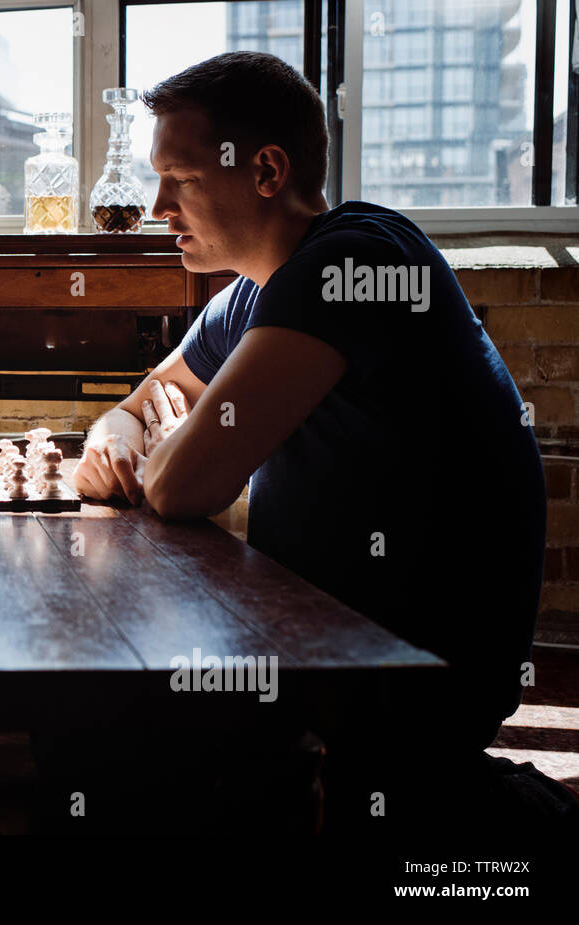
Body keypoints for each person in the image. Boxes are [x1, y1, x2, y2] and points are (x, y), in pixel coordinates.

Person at [69, 51, 577, 838]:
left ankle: (507, 814)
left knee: (113, 734)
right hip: (313, 629)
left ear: (266, 169)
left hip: (414, 665)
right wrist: (130, 434)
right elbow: (132, 407)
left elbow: (179, 488)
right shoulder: (251, 294)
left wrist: (168, 448)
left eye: (182, 178)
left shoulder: (352, 261)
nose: (159, 203)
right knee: (115, 723)